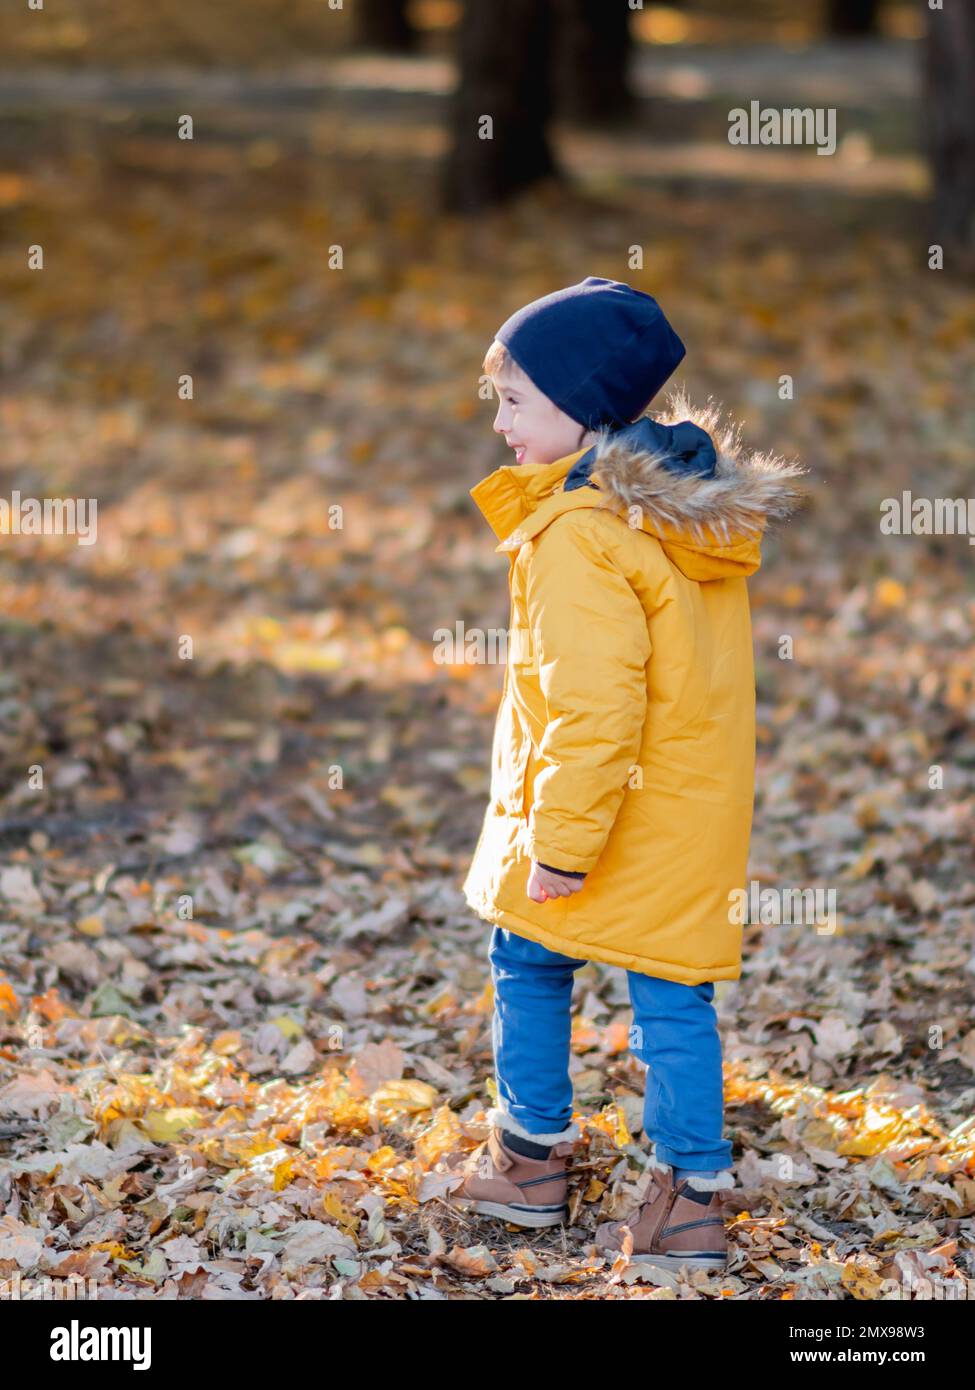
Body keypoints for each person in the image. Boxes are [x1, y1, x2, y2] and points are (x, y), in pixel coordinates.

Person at [444, 277, 807, 1274]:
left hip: (596, 815)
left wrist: (560, 845)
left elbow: (595, 710)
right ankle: (691, 1197)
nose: (501, 421)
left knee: (528, 958)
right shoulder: (682, 518)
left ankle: (530, 1160)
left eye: (516, 399)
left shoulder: (578, 535)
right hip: (683, 816)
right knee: (673, 992)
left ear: (583, 405)